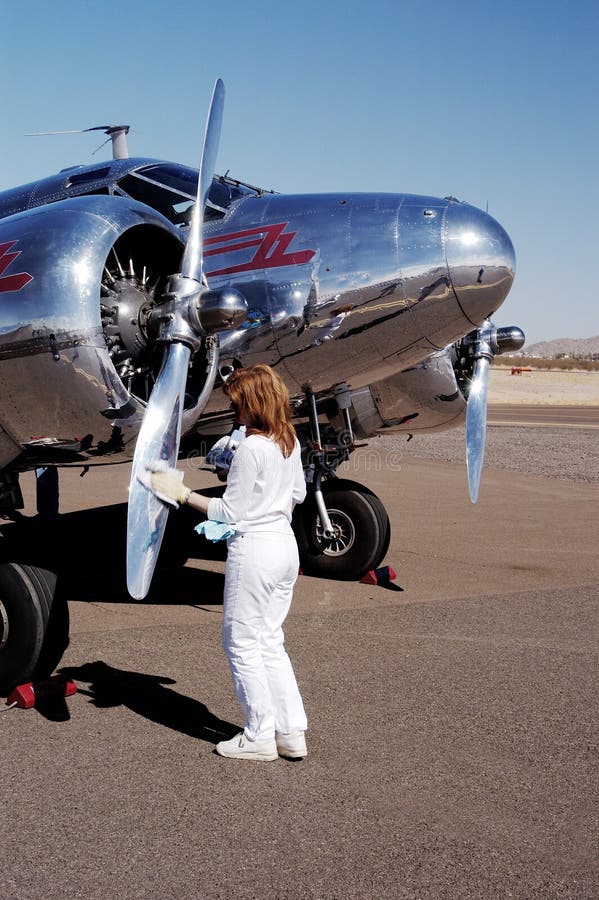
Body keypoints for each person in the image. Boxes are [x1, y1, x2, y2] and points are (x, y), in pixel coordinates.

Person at [151, 364, 308, 762]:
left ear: (254, 403)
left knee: (240, 642)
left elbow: (229, 511)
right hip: (285, 546)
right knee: (270, 640)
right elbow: (297, 495)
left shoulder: (252, 448)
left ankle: (259, 734)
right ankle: (291, 733)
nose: (234, 409)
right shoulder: (289, 440)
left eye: (238, 402)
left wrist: (181, 493)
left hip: (254, 550)